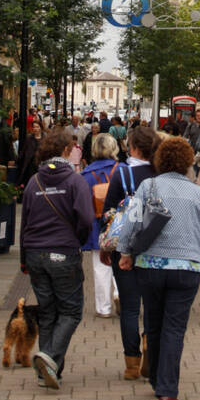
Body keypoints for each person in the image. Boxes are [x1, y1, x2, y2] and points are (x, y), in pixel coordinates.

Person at [117, 136, 200, 400]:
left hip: (151, 266)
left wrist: (125, 252)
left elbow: (132, 220)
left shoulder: (148, 186)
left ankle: (158, 379)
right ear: (186, 162)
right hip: (186, 268)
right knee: (175, 328)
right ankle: (167, 391)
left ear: (160, 160)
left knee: (153, 323)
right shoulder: (199, 193)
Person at [20, 127, 95, 389]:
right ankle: (49, 358)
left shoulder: (33, 182)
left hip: (35, 253)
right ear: (66, 150)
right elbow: (86, 219)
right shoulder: (75, 181)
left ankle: (48, 373)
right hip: (64, 252)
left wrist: (23, 258)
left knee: (48, 311)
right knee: (71, 311)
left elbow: (25, 221)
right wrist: (80, 240)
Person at [102, 124, 157, 378]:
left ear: (132, 147)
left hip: (125, 248)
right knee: (154, 304)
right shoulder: (160, 174)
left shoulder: (121, 174)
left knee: (130, 307)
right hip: (155, 247)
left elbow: (109, 214)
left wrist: (107, 245)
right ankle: (149, 342)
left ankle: (131, 364)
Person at [81, 133, 120, 316]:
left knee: (100, 266)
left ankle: (103, 308)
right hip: (120, 223)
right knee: (122, 262)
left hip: (97, 225)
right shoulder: (123, 170)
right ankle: (120, 293)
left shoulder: (86, 174)